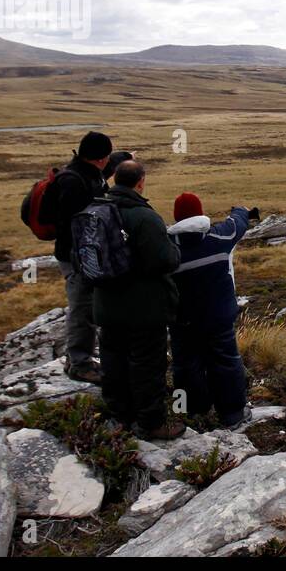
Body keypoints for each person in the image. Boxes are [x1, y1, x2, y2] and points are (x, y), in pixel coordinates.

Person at [92, 160, 185, 440]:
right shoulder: (145, 217)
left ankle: (120, 417)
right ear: (140, 182)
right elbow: (165, 260)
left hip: (107, 305)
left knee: (113, 361)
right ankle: (151, 422)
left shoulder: (96, 212)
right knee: (147, 365)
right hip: (144, 308)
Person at [167, 192, 259, 428]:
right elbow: (238, 223)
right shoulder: (221, 236)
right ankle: (233, 414)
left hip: (182, 319)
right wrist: (241, 209)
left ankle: (191, 413)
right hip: (219, 315)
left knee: (185, 364)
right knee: (225, 360)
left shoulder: (166, 249)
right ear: (200, 212)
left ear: (176, 217)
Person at [51, 130, 112, 384]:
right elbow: (74, 224)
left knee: (87, 305)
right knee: (82, 307)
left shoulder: (83, 173)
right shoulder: (74, 182)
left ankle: (78, 356)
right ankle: (79, 362)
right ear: (99, 159)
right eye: (107, 156)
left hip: (82, 254)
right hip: (77, 256)